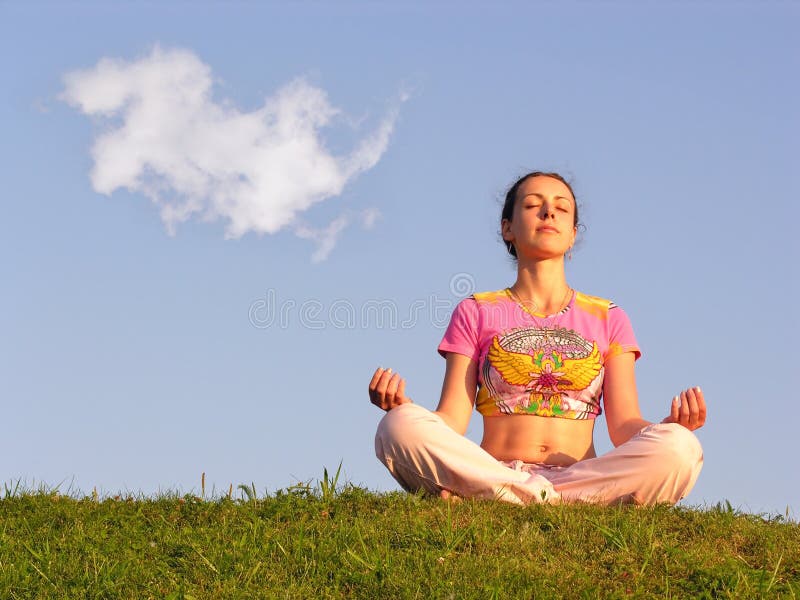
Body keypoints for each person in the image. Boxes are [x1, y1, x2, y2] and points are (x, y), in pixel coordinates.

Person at [369, 171, 706, 505]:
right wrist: (407, 410)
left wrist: (666, 428)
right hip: (496, 469)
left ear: (572, 234)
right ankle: (545, 498)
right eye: (533, 205)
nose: (548, 213)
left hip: (580, 476)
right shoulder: (476, 310)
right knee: (397, 427)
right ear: (507, 228)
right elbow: (453, 416)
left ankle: (503, 499)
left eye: (561, 208)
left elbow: (623, 424)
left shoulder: (609, 316)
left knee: (681, 448)